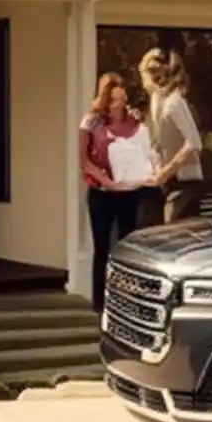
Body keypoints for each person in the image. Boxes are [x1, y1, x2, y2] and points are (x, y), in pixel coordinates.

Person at [79, 72, 148, 313]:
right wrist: (108, 183)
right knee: (103, 248)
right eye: (116, 98)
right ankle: (100, 303)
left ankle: (126, 301)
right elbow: (85, 161)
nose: (121, 102)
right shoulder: (91, 122)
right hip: (101, 194)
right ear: (106, 100)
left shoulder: (134, 121)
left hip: (129, 193)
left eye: (123, 97)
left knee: (127, 246)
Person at [139, 47, 204, 223]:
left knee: (179, 236)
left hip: (184, 182)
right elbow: (156, 142)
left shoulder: (173, 103)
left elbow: (194, 142)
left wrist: (166, 172)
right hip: (166, 183)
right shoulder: (155, 102)